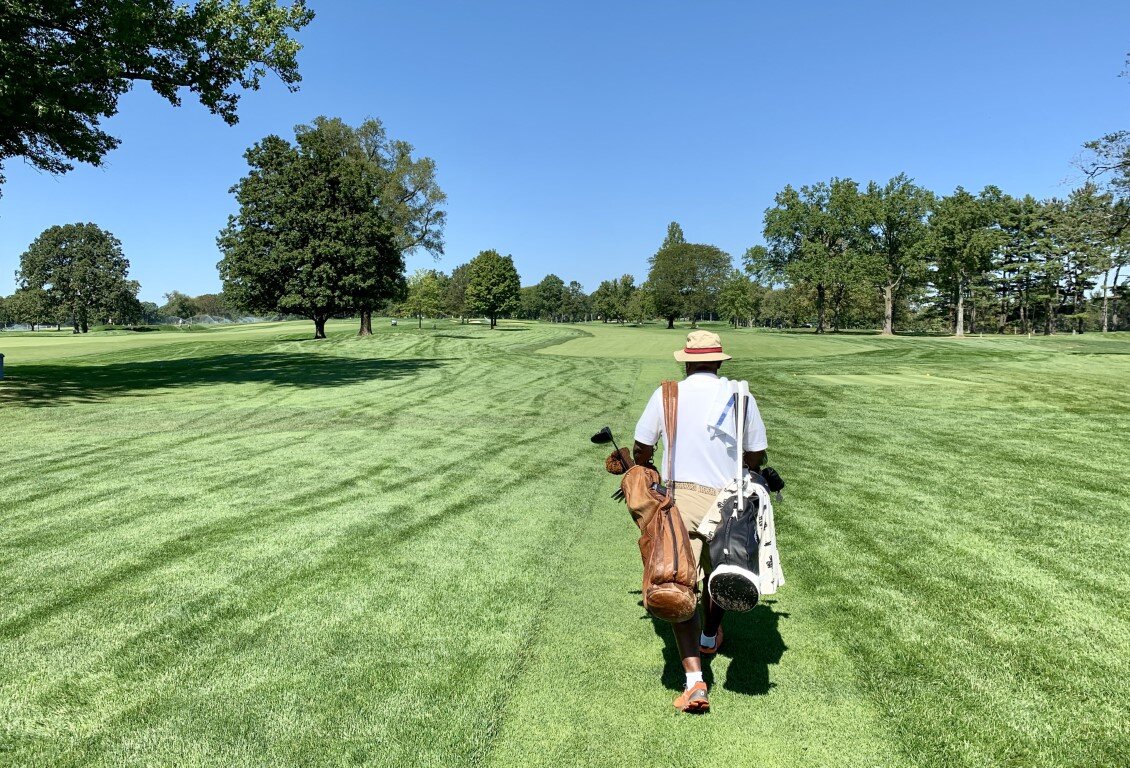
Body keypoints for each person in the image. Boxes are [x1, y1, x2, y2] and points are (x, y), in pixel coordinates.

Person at [632, 329, 767, 713]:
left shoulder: (667, 394)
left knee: (676, 581)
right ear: (719, 361)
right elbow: (756, 454)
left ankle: (694, 682)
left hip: (680, 498)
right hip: (730, 497)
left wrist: (644, 466)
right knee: (721, 571)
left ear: (687, 362)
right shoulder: (740, 395)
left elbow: (642, 447)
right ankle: (710, 635)